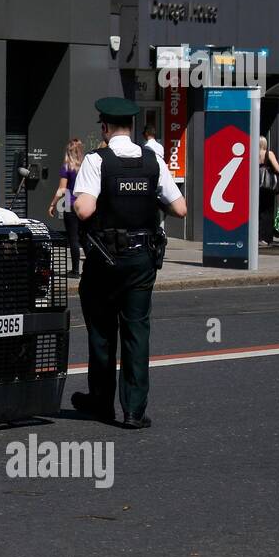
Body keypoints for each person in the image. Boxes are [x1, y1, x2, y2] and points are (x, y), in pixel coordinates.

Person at [72, 98, 187, 430]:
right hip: (141, 258)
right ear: (132, 127)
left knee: (102, 331)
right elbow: (179, 208)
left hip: (105, 259)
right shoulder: (153, 161)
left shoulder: (97, 160)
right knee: (137, 331)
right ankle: (134, 410)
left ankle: (101, 401)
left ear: (105, 128)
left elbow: (84, 210)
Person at [47, 138, 84, 277]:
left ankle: (75, 270)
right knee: (85, 238)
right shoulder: (85, 166)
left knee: (73, 238)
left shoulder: (67, 167)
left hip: (69, 202)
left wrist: (53, 204)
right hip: (84, 202)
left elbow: (62, 189)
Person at [257, 136, 279, 245]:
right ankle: (267, 238)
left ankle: (258, 236)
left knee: (258, 210)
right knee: (268, 211)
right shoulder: (268, 153)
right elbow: (278, 168)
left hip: (256, 185)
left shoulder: (252, 153)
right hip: (268, 186)